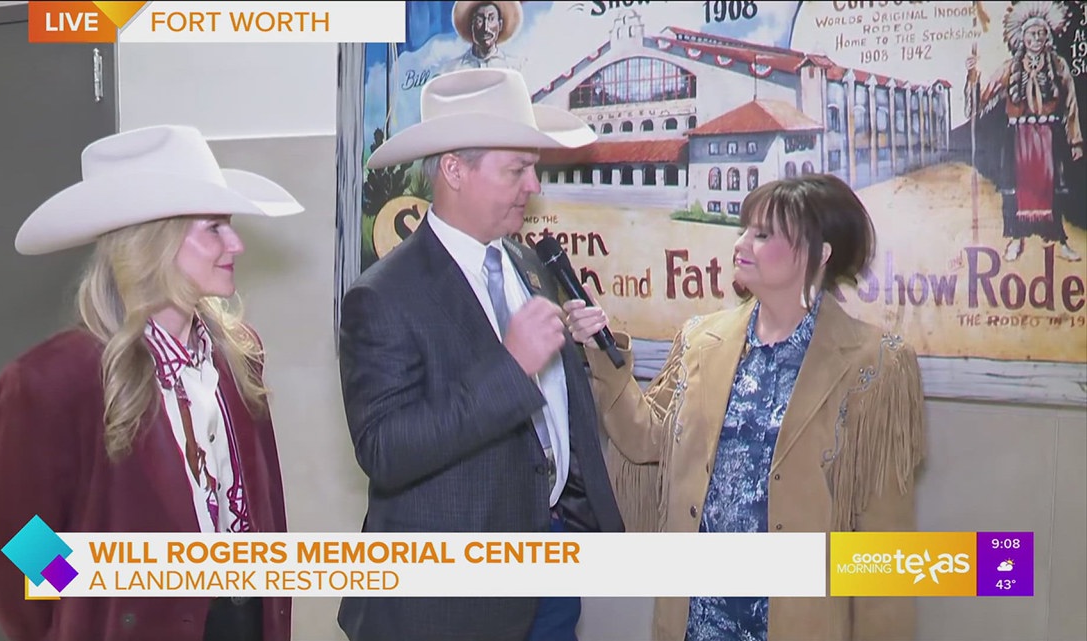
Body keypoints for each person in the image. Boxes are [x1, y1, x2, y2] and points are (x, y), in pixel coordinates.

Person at [0, 124, 304, 641]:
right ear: (154, 243)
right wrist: (84, 601)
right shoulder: (54, 381)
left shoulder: (239, 355)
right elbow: (18, 540)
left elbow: (267, 509)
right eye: (213, 227)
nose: (235, 243)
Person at [565, 174, 927, 641]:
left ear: (821, 254)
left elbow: (884, 547)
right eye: (743, 229)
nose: (741, 244)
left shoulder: (875, 365)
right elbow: (645, 438)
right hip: (696, 621)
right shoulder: (700, 340)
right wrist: (605, 359)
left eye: (763, 234)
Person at [337, 68, 624, 641]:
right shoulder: (382, 295)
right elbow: (386, 450)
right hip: (450, 607)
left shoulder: (527, 266)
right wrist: (511, 365)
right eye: (517, 169)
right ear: (454, 170)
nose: (532, 185)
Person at [965, 0, 1082, 262]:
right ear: (1022, 37)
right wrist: (973, 77)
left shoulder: (1059, 65)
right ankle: (1016, 239)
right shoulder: (1009, 67)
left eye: (1041, 33)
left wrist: (1075, 141)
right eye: (1032, 34)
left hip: (1049, 137)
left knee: (1054, 189)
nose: (1037, 38)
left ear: (1048, 35)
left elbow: (1071, 102)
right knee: (1014, 189)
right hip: (1018, 139)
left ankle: (1059, 240)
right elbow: (983, 96)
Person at [440, 1, 526, 75]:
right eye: (479, 20)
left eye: (491, 19)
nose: (485, 28)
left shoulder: (515, 67)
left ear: (500, 25)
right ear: (471, 25)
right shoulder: (453, 70)